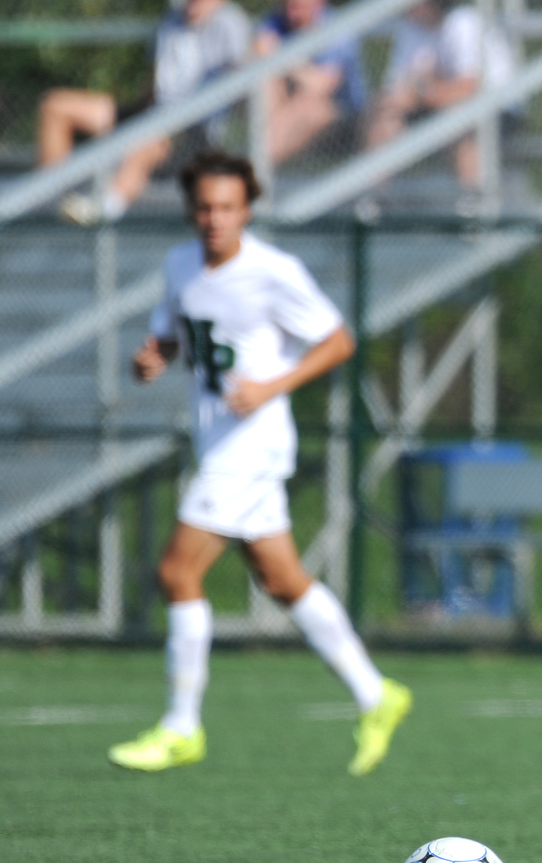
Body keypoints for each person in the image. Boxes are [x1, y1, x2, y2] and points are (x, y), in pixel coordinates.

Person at [108, 150, 411, 776]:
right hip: (216, 443)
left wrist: (272, 385)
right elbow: (175, 333)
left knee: (175, 574)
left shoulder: (273, 271)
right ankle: (377, 694)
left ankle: (181, 726)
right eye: (203, 207)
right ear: (190, 209)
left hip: (253, 445)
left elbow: (338, 341)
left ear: (247, 209)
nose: (214, 219)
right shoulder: (179, 264)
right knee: (281, 580)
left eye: (226, 207)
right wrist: (154, 358)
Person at [41, 0, 250, 224]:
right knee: (57, 105)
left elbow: (241, 75)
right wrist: (133, 111)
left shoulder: (228, 21)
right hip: (154, 112)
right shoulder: (171, 22)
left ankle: (103, 212)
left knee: (147, 139)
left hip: (192, 131)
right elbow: (155, 81)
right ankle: (54, 199)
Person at [365, 0, 514, 205]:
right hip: (433, 108)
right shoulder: (410, 27)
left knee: (458, 119)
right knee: (383, 112)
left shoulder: (463, 22)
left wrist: (421, 91)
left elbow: (468, 88)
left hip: (497, 110)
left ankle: (475, 207)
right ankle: (376, 200)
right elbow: (396, 89)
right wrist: (420, 91)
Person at [253, 0, 367, 164]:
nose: (293, 13)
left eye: (301, 5)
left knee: (307, 104)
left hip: (343, 119)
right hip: (288, 112)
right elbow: (257, 55)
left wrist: (282, 58)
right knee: (265, 82)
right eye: (290, 4)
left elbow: (321, 86)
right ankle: (261, 165)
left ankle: (257, 166)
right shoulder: (275, 22)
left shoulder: (337, 26)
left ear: (319, 0)